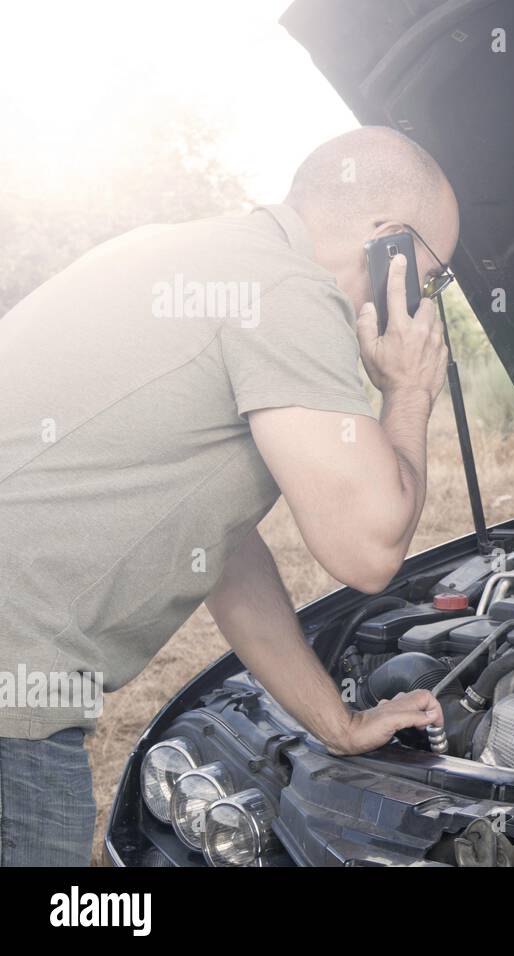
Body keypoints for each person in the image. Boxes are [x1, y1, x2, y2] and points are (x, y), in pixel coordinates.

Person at [0, 127, 458, 865]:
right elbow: (368, 551)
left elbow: (222, 553)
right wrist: (408, 390)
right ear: (391, 245)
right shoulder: (287, 291)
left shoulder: (180, 253)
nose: (426, 300)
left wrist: (338, 725)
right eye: (433, 278)